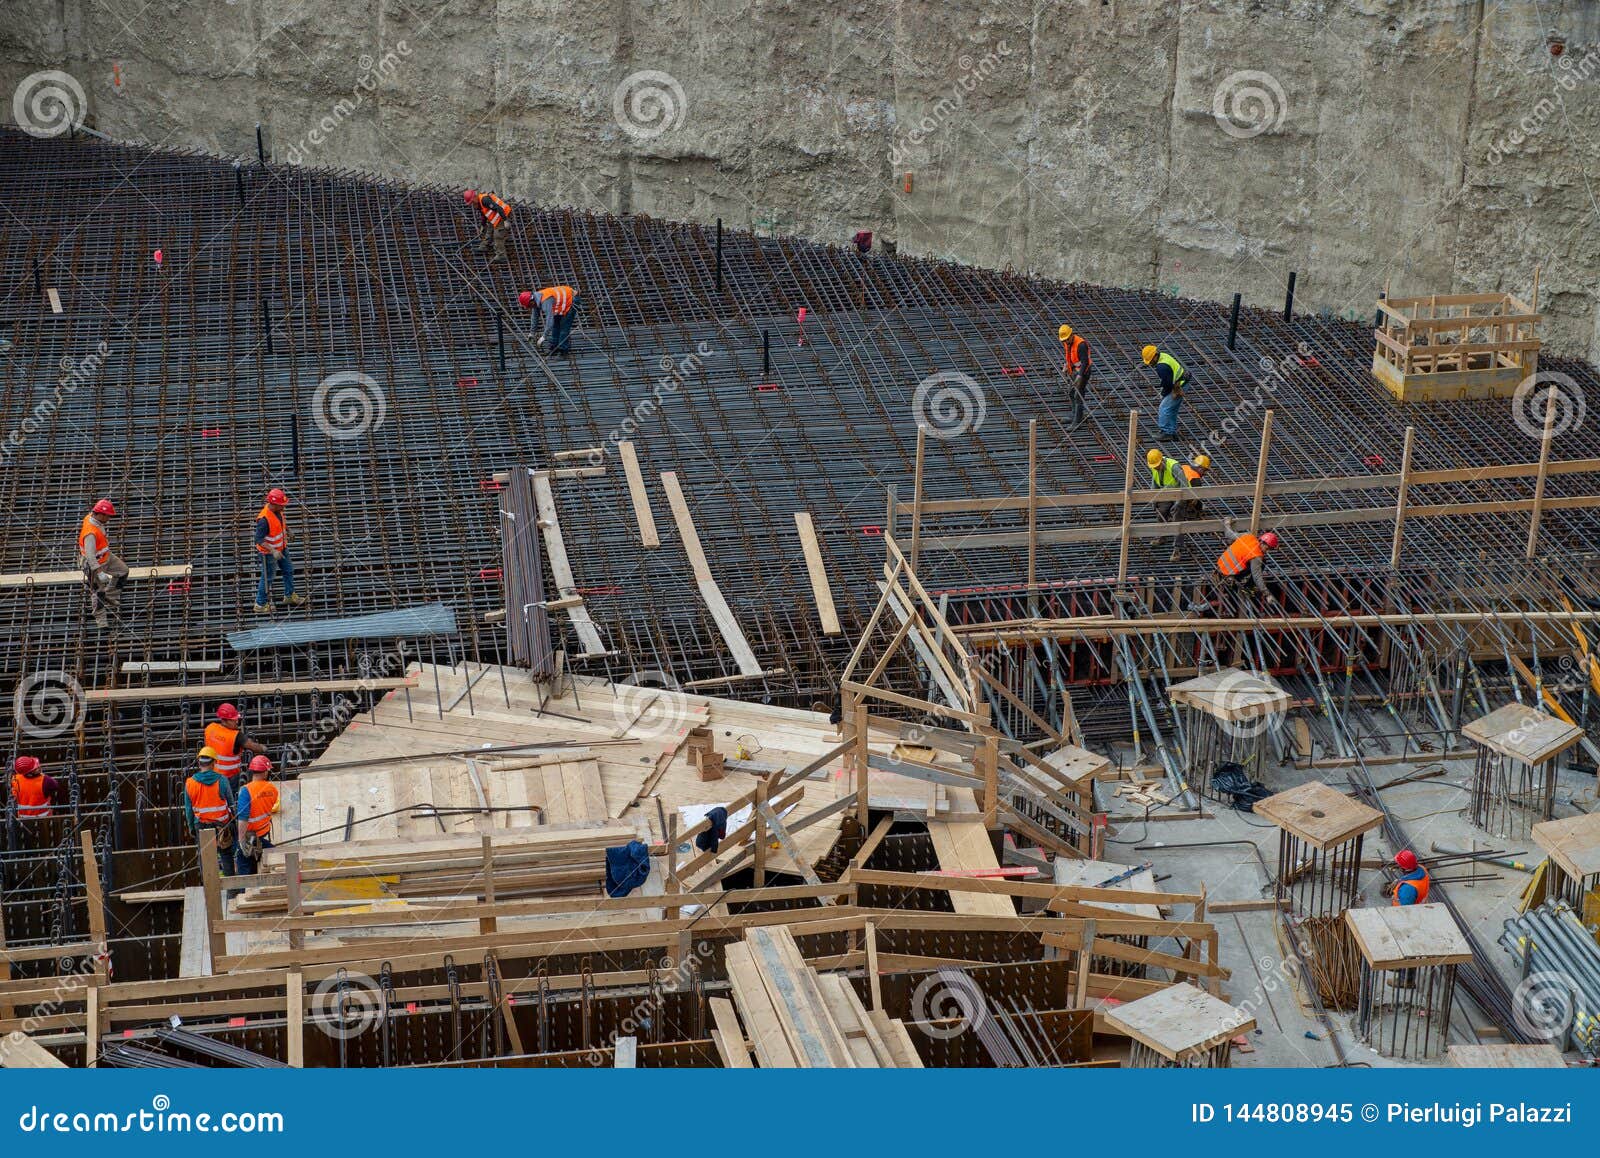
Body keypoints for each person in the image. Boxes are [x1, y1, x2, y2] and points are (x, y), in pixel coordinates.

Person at [183, 745, 237, 876]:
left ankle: (209, 888)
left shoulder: (190, 783)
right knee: (225, 854)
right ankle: (231, 892)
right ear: (213, 763)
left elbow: (189, 810)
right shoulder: (222, 780)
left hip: (201, 825)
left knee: (206, 857)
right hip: (221, 825)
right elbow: (231, 804)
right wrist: (235, 821)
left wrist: (191, 827)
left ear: (199, 763)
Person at [254, 488, 306, 613]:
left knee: (288, 570)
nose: (284, 507)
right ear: (274, 504)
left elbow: (280, 522)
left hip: (282, 548)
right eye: (281, 505)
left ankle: (289, 596)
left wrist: (288, 530)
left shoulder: (278, 510)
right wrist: (272, 550)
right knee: (268, 578)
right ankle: (260, 604)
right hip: (268, 554)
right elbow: (258, 539)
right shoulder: (264, 520)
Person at [79, 498, 128, 629]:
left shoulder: (92, 516)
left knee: (123, 571)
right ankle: (101, 622)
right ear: (100, 514)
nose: (109, 519)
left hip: (106, 557)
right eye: (108, 516)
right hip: (93, 565)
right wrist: (99, 572)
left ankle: (110, 595)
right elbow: (90, 556)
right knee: (98, 592)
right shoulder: (90, 534)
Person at [234, 755, 280, 875]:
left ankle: (242, 891)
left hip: (249, 835)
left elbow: (243, 818)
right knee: (267, 854)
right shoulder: (273, 789)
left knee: (243, 866)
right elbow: (272, 804)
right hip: (262, 833)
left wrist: (241, 841)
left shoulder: (245, 790)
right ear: (265, 772)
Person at [205, 703, 268, 788]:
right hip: (230, 778)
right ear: (224, 720)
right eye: (233, 720)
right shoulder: (236, 736)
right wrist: (264, 748)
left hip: (211, 775)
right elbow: (254, 747)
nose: (237, 722)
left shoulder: (210, 728)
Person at [1215, 518, 1279, 600]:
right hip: (1228, 574)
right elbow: (1257, 577)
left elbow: (1229, 535)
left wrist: (1227, 523)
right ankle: (1248, 587)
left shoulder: (1248, 536)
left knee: (1256, 560)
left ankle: (1233, 579)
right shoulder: (1256, 556)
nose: (1267, 551)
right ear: (1264, 544)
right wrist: (1267, 594)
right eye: (1268, 548)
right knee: (1263, 562)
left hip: (1220, 566)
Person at [1146, 448, 1192, 561]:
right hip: (1167, 493)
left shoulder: (1174, 467)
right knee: (1161, 511)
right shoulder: (1154, 467)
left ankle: (1177, 549)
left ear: (1162, 461)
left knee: (1177, 518)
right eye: (1154, 467)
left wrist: (1179, 503)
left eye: (1157, 465)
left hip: (1182, 494)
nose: (1156, 468)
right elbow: (1155, 483)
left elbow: (1185, 487)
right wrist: (1154, 499)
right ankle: (1161, 536)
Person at [1141, 344, 1189, 438]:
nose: (1150, 364)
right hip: (1183, 382)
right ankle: (1171, 430)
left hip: (1178, 386)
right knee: (1172, 408)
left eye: (1150, 361)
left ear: (1155, 356)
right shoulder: (1163, 355)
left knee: (1164, 408)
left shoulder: (1161, 367)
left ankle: (1166, 432)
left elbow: (1168, 384)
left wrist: (1164, 394)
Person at [520, 286, 579, 356]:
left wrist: (544, 337)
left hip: (572, 300)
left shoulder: (546, 300)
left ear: (531, 301)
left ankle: (563, 350)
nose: (529, 308)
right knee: (555, 326)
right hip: (561, 304)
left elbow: (549, 321)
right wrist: (532, 333)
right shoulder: (536, 299)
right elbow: (534, 317)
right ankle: (554, 347)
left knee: (563, 328)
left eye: (529, 306)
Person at [464, 188, 512, 264]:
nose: (472, 205)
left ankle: (501, 255)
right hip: (495, 216)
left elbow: (499, 208)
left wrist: (505, 220)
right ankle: (485, 246)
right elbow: (484, 214)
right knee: (489, 229)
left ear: (475, 198)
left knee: (498, 235)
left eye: (472, 202)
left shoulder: (484, 200)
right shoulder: (478, 203)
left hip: (503, 214)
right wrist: (483, 225)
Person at [1059, 324, 1091, 426]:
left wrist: (1080, 376)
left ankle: (1077, 421)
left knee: (1078, 395)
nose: (1065, 342)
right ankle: (1075, 415)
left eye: (1067, 339)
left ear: (1071, 335)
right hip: (1074, 371)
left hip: (1083, 372)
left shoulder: (1081, 345)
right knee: (1071, 393)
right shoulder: (1067, 343)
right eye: (1064, 340)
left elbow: (1085, 362)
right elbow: (1071, 356)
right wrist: (1067, 365)